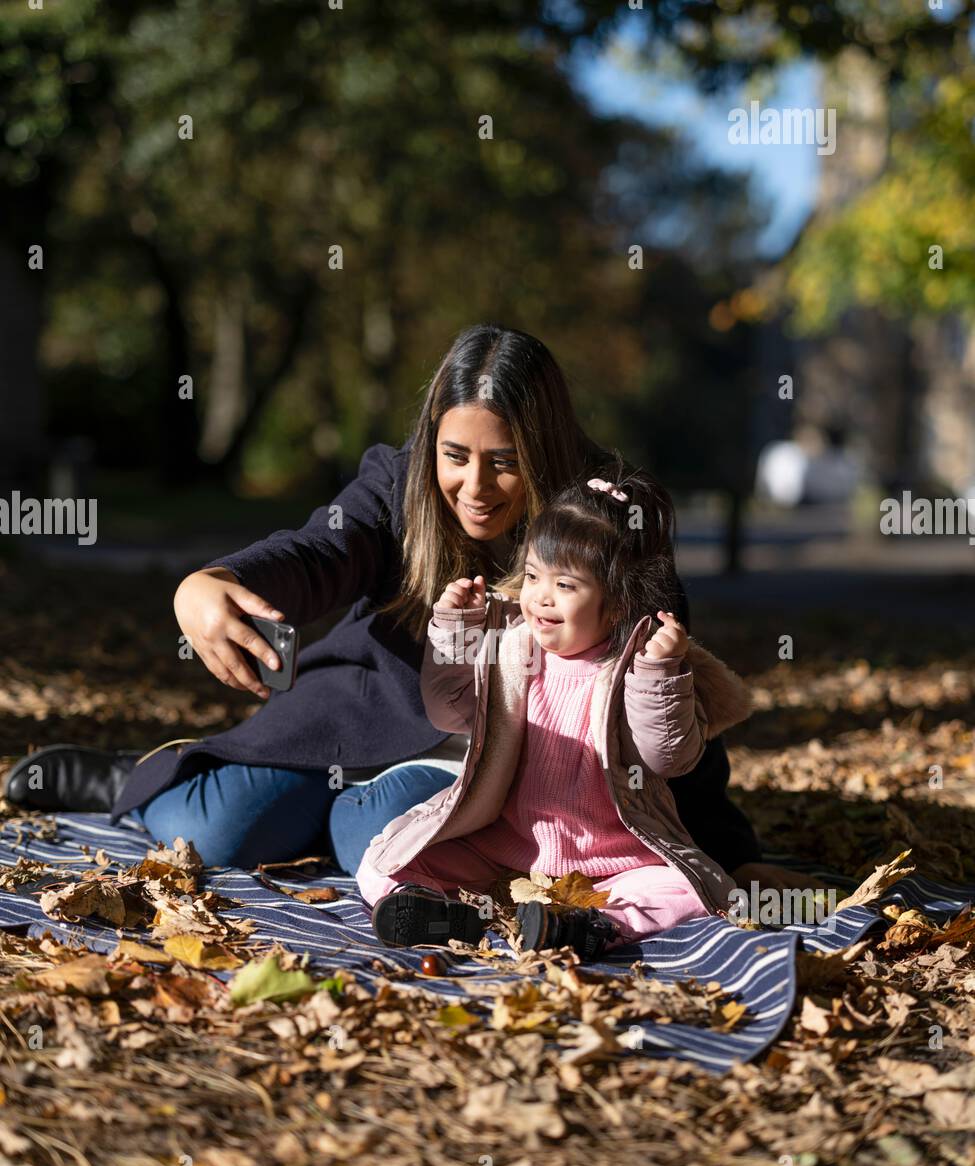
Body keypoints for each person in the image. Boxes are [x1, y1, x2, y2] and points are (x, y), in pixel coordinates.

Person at [4, 323, 803, 894]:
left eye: (505, 464)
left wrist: (728, 853)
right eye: (455, 458)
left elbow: (664, 684)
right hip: (350, 715)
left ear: (547, 450)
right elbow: (318, 552)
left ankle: (321, 818)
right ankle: (132, 776)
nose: (474, 487)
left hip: (483, 760)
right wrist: (208, 581)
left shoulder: (608, 519)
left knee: (369, 841)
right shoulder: (396, 480)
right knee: (217, 834)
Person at [358, 468, 757, 961]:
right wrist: (456, 628)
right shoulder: (511, 648)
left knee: (687, 889)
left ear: (616, 605)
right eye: (531, 575)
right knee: (384, 858)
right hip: (507, 848)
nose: (540, 596)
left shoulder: (632, 665)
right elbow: (448, 711)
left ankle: (589, 927)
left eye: (565, 584)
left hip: (614, 861)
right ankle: (427, 910)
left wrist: (659, 673)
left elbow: (668, 756)